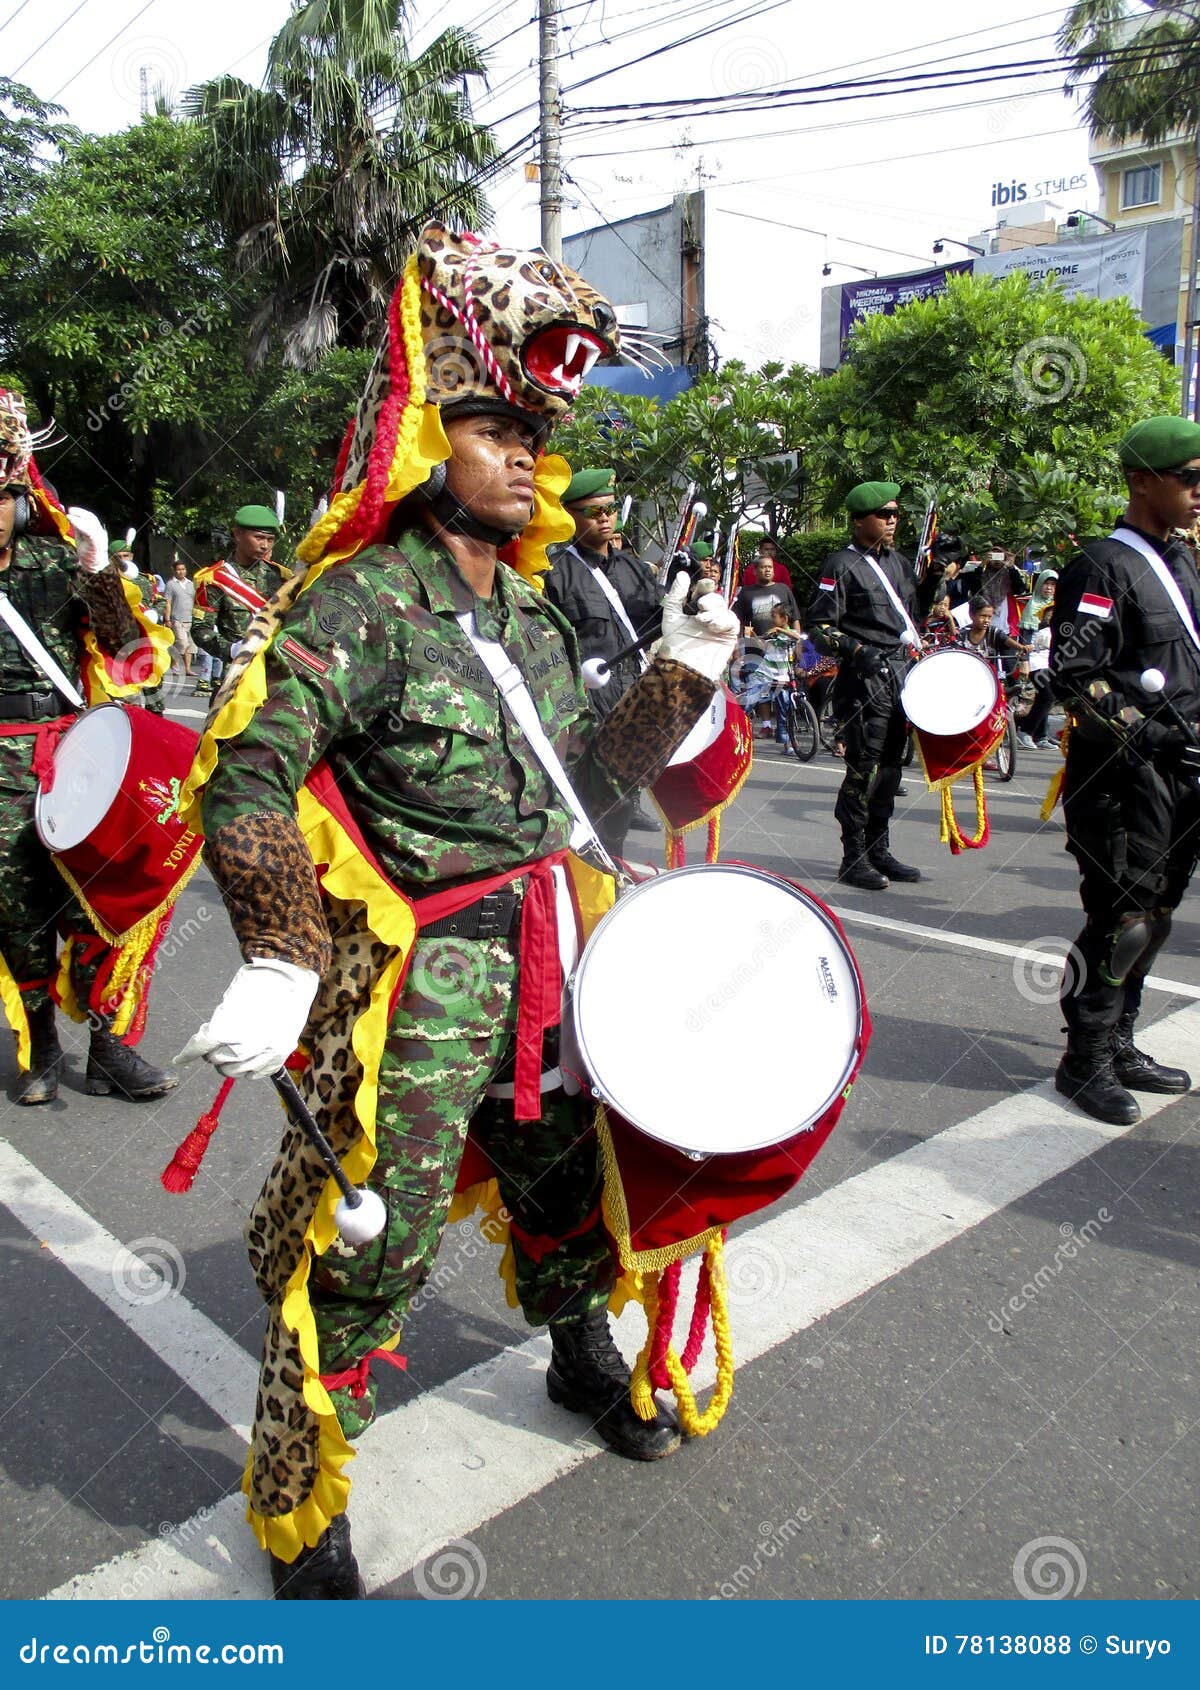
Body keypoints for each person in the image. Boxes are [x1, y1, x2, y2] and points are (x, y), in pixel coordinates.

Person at [177, 225, 739, 1598]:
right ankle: (301, 1487)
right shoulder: (357, 603)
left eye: (533, 435)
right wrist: (281, 951)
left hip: (555, 965)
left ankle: (578, 1348)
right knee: (377, 1232)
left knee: (564, 1182)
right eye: (495, 429)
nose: (526, 456)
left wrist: (680, 677)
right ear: (432, 437)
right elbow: (242, 769)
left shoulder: (540, 613)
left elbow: (593, 783)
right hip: (419, 987)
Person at [0, 387, 177, 1104]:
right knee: (18, 910)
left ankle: (109, 1046)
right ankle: (41, 1047)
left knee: (112, 898)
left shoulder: (54, 563)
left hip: (75, 751)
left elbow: (131, 652)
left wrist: (100, 572)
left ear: (16, 493)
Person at [1049, 414, 1200, 1126]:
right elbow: (1077, 677)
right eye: (1190, 479)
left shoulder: (1182, 559)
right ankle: (1083, 1059)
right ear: (1143, 480)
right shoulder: (1102, 565)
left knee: (1160, 914)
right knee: (1122, 918)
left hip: (1182, 775)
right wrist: (1155, 736)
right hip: (1121, 777)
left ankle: (1120, 1038)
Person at [807, 481, 939, 890]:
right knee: (863, 768)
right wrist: (854, 648)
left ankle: (879, 849)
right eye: (884, 514)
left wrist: (936, 575)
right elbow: (818, 626)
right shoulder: (839, 564)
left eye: (895, 513)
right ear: (859, 520)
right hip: (865, 678)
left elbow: (912, 616)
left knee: (892, 770)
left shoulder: (899, 562)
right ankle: (853, 857)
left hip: (902, 673)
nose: (892, 520)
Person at [543, 467, 663, 854]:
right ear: (571, 517)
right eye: (593, 512)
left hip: (634, 697)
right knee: (585, 802)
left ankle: (612, 871)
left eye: (610, 509)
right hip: (586, 706)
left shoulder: (631, 568)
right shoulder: (555, 571)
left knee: (618, 805)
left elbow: (659, 618)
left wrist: (690, 606)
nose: (605, 518)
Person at [195, 504, 292, 666]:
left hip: (277, 670)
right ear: (238, 534)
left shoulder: (283, 577)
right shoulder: (214, 579)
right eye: (259, 538)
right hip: (237, 670)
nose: (265, 546)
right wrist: (232, 649)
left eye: (270, 540)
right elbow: (200, 629)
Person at [736, 602, 801, 746]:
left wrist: (779, 629)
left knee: (784, 709)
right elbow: (763, 646)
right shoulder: (771, 633)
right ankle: (738, 731)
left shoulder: (789, 633)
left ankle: (786, 743)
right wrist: (752, 635)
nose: (772, 619)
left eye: (774, 616)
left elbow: (797, 638)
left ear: (784, 618)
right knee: (748, 703)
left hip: (782, 676)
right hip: (764, 674)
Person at [163, 560, 196, 681]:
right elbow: (168, 602)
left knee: (191, 646)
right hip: (177, 618)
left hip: (190, 618)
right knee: (182, 643)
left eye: (183, 569)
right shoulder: (171, 584)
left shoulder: (191, 584)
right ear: (174, 570)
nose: (181, 571)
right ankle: (174, 664)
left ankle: (187, 669)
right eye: (179, 569)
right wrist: (167, 618)